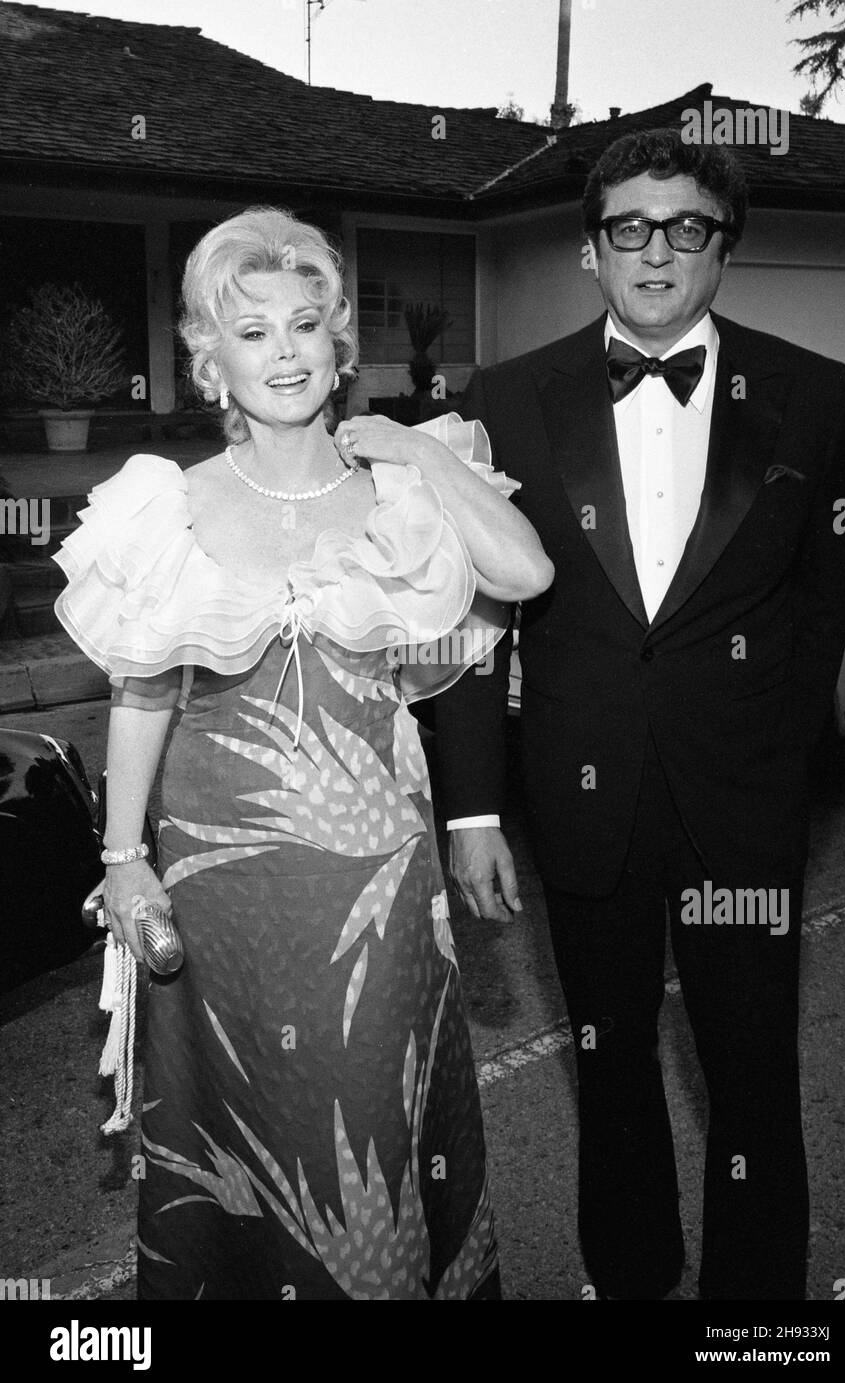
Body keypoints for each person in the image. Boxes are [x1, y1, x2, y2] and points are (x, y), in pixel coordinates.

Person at [54, 206, 553, 1301]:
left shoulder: (403, 486)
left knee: (362, 1123)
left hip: (369, 876)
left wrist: (423, 445)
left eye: (304, 325)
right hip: (214, 880)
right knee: (231, 1123)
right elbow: (142, 692)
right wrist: (123, 854)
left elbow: (523, 573)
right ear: (210, 362)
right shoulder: (166, 505)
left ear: (337, 350)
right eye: (251, 331)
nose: (282, 350)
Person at [430, 128, 845, 1301]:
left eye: (687, 228)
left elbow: (821, 609)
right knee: (609, 1063)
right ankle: (628, 1276)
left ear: (724, 249)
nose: (656, 250)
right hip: (582, 799)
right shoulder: (508, 398)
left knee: (752, 1075)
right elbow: (472, 621)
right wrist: (470, 810)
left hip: (744, 807)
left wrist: (782, 768)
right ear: (589, 249)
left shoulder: (818, 395)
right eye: (628, 227)